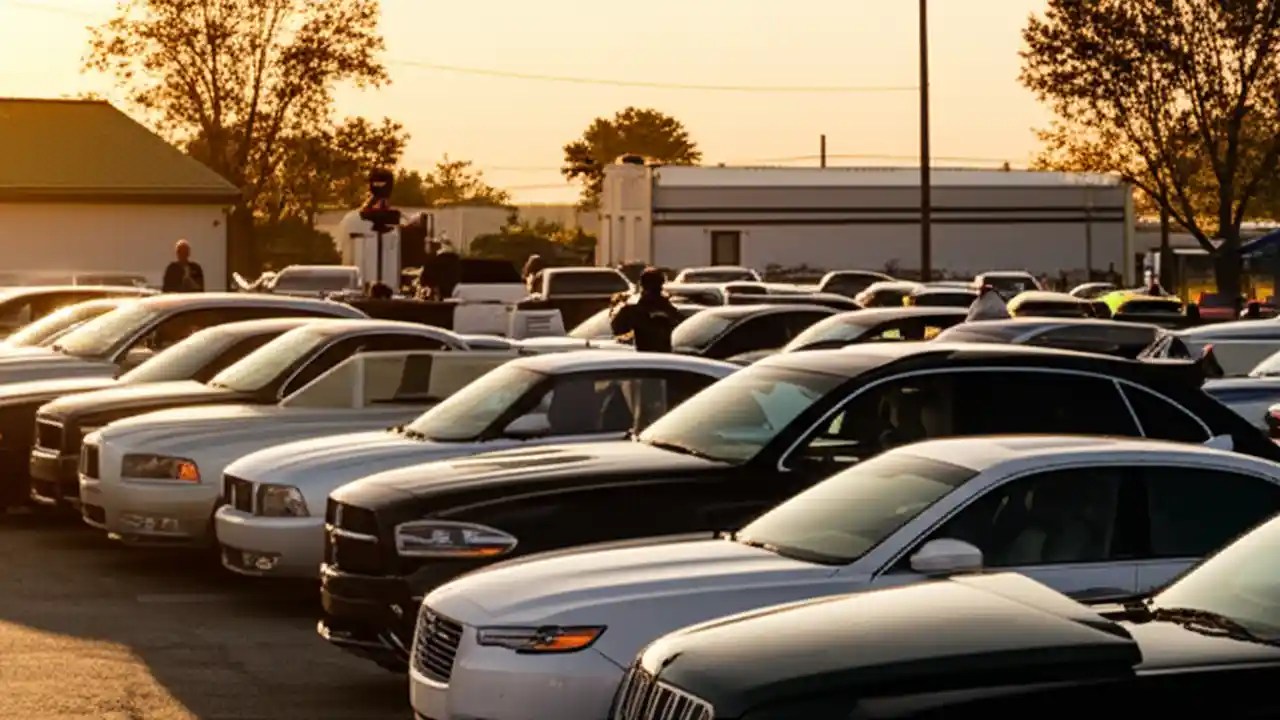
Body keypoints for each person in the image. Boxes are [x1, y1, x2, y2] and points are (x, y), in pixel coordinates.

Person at [611, 267, 681, 353]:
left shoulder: (634, 311)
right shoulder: (670, 311)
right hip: (663, 361)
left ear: (642, 286)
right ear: (661, 286)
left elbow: (617, 329)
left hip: (648, 359)